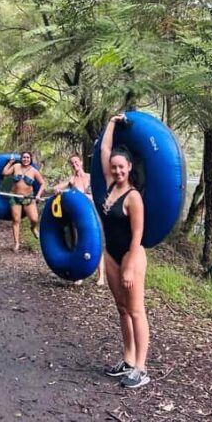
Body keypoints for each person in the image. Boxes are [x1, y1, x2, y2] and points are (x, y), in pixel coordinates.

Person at [99, 115, 150, 389]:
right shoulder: (109, 185)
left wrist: (129, 265)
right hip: (111, 255)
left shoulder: (133, 197)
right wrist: (111, 123)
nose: (117, 171)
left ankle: (141, 368)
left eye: (122, 167)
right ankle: (128, 360)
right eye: (114, 167)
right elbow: (106, 150)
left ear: (129, 167)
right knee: (121, 309)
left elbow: (138, 236)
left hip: (132, 256)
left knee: (136, 311)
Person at [53, 153, 106, 287]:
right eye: (72, 163)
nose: (75, 165)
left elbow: (101, 192)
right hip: (79, 218)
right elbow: (58, 187)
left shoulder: (90, 177)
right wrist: (58, 189)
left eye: (76, 162)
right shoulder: (71, 180)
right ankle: (80, 274)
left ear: (81, 162)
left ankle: (101, 277)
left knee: (98, 244)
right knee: (78, 244)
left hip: (94, 215)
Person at [1, 151, 46, 252]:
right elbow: (4, 173)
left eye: (28, 157)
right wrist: (10, 163)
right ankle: (17, 243)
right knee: (16, 220)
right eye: (24, 157)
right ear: (21, 158)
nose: (25, 159)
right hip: (15, 197)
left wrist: (38, 195)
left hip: (28, 198)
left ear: (30, 159)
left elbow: (43, 183)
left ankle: (33, 228)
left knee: (34, 219)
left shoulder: (34, 171)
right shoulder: (16, 166)